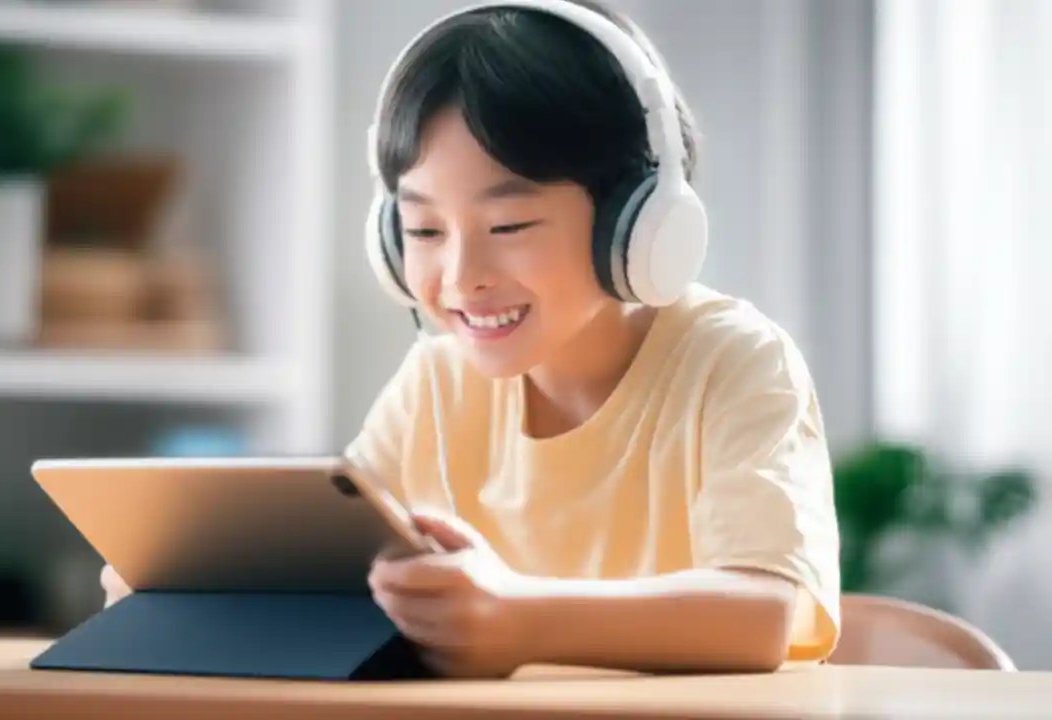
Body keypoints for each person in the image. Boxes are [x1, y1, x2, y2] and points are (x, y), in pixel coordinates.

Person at [106, 0, 840, 679]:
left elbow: (762, 614)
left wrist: (526, 619)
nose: (462, 277)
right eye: (423, 230)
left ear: (638, 221)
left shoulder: (735, 364)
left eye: (509, 227)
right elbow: (335, 574)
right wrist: (199, 584)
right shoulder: (433, 384)